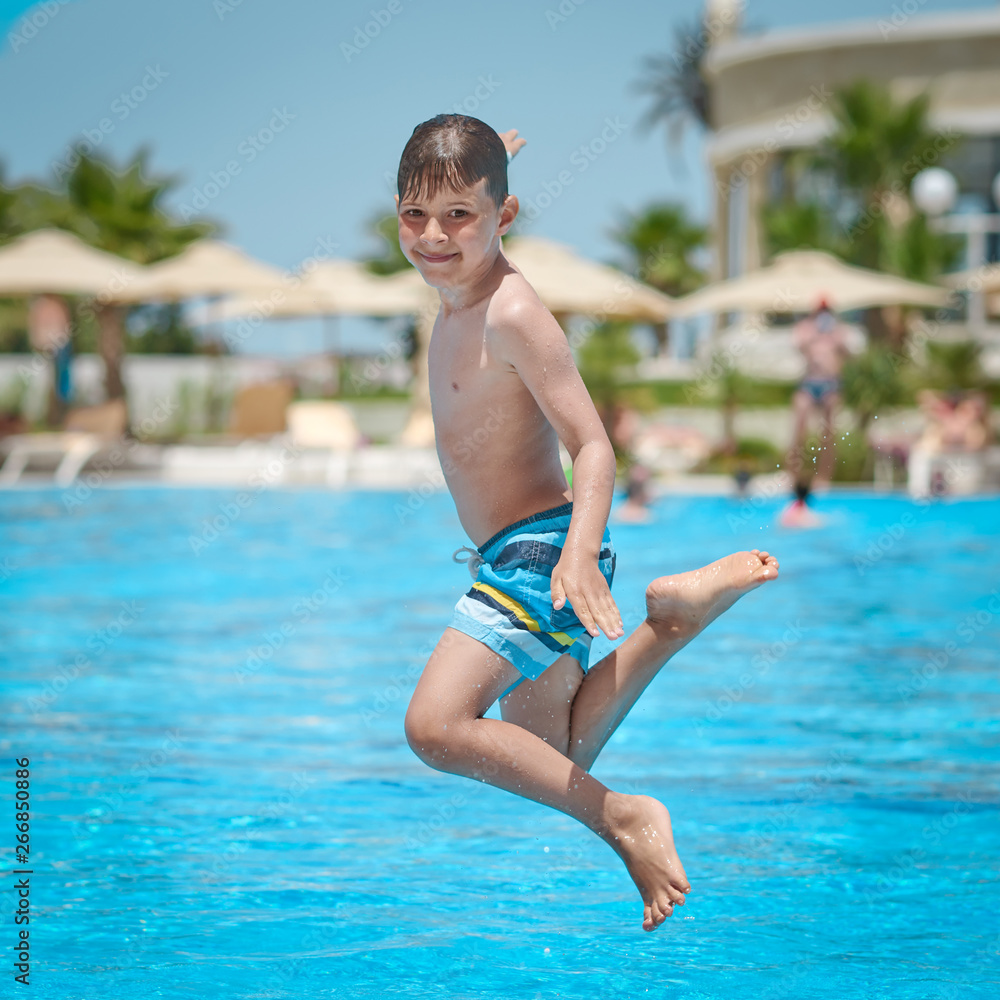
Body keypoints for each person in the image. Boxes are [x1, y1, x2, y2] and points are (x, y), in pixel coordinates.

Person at [398, 114, 779, 932]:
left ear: (505, 218)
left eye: (459, 216)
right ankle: (669, 623)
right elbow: (459, 204)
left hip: (542, 553)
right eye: (415, 215)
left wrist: (575, 557)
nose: (433, 235)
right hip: (520, 552)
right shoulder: (458, 285)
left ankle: (625, 819)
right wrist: (487, 162)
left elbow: (595, 448)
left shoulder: (512, 311)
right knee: (553, 757)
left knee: (434, 727)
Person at [787, 299, 851, 488]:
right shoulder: (805, 329)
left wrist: (836, 339)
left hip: (831, 383)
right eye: (820, 310)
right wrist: (815, 334)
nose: (823, 314)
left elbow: (848, 355)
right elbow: (799, 348)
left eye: (826, 310)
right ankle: (792, 474)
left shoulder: (839, 330)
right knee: (799, 426)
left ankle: (824, 477)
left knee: (828, 432)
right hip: (809, 382)